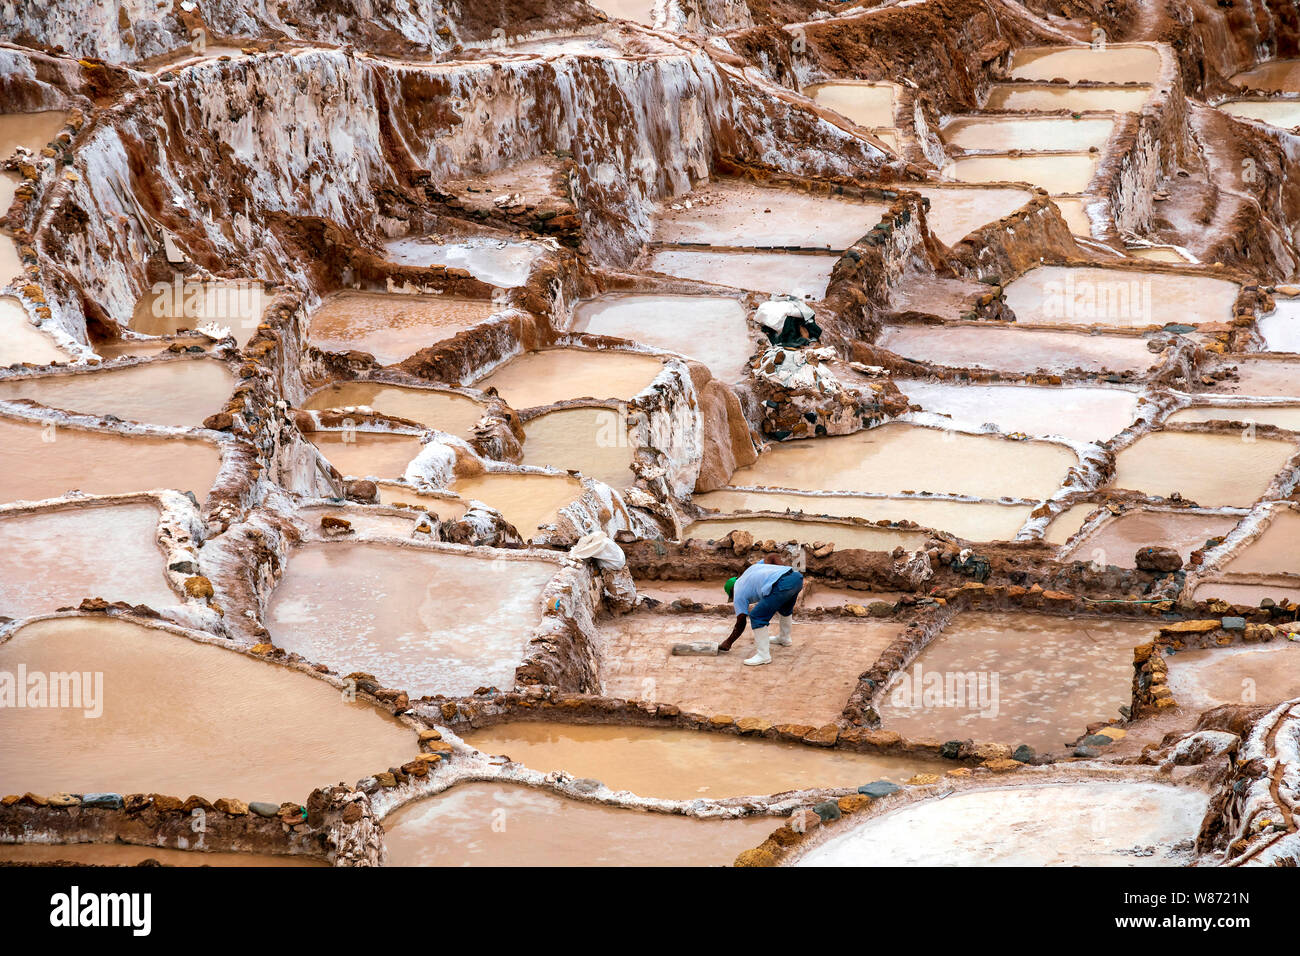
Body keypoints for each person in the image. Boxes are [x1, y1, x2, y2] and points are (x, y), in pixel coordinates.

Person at [719, 557, 804, 666]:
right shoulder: (750, 571)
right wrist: (781, 571)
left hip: (783, 584)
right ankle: (784, 638)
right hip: (796, 577)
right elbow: (772, 557)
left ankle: (763, 656)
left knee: (756, 616)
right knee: (784, 608)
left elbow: (741, 622)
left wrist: (728, 642)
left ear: (731, 591)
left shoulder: (738, 591)